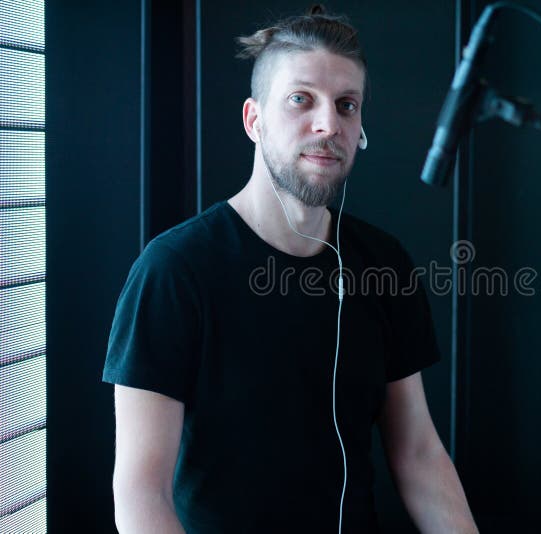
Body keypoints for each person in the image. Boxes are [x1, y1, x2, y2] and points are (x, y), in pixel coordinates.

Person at [103, 6, 478, 533]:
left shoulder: (383, 263)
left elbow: (418, 454)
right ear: (254, 120)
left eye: (347, 105)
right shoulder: (173, 272)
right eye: (301, 99)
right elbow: (141, 494)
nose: (329, 123)